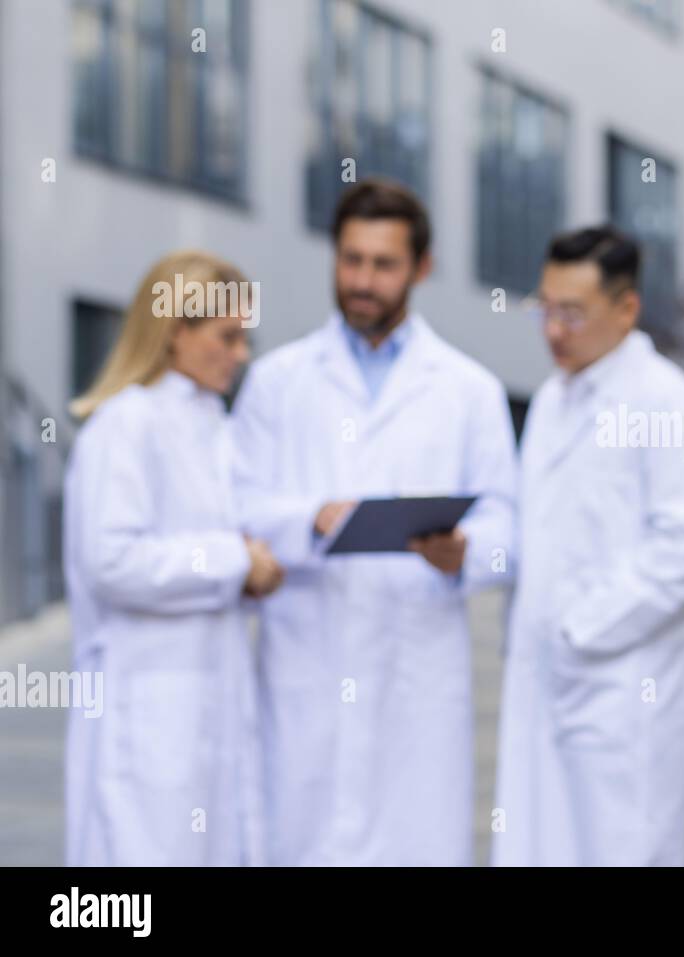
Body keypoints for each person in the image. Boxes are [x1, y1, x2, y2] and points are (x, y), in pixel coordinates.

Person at [230, 178, 517, 865]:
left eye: (383, 264)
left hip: (414, 665)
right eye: (350, 260)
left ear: (421, 268)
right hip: (307, 659)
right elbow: (237, 504)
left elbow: (508, 518)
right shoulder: (278, 380)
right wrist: (312, 517)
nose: (362, 280)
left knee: (413, 839)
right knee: (301, 838)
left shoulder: (467, 389)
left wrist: (464, 552)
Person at [491, 226, 684, 866]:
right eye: (545, 308)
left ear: (627, 308)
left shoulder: (672, 405)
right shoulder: (551, 400)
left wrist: (580, 627)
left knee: (618, 846)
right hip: (547, 675)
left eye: (572, 313)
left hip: (622, 689)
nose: (552, 329)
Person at [64, 250, 281, 866]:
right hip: (147, 707)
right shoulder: (125, 426)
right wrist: (234, 561)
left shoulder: (213, 424)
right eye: (227, 336)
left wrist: (254, 567)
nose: (241, 356)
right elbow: (112, 561)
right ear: (175, 330)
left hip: (207, 701)